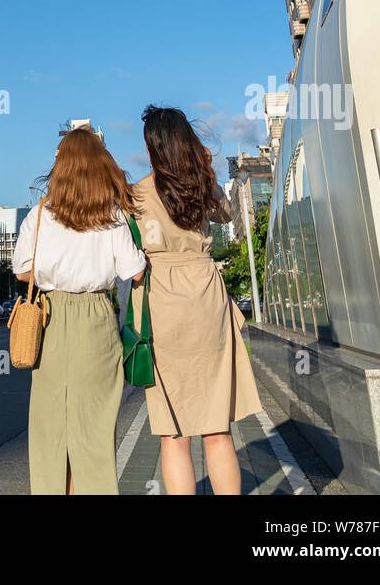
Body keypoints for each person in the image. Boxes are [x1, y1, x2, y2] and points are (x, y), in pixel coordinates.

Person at [132, 105, 262, 495]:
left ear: (153, 147)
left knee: (173, 433)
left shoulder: (136, 195)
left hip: (162, 304)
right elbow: (226, 214)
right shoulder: (201, 187)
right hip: (207, 298)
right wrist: (206, 168)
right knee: (217, 428)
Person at [11, 127, 146, 495]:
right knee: (95, 429)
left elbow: (22, 270)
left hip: (50, 319)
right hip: (96, 317)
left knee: (50, 429)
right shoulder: (112, 214)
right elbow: (134, 271)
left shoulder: (40, 215)